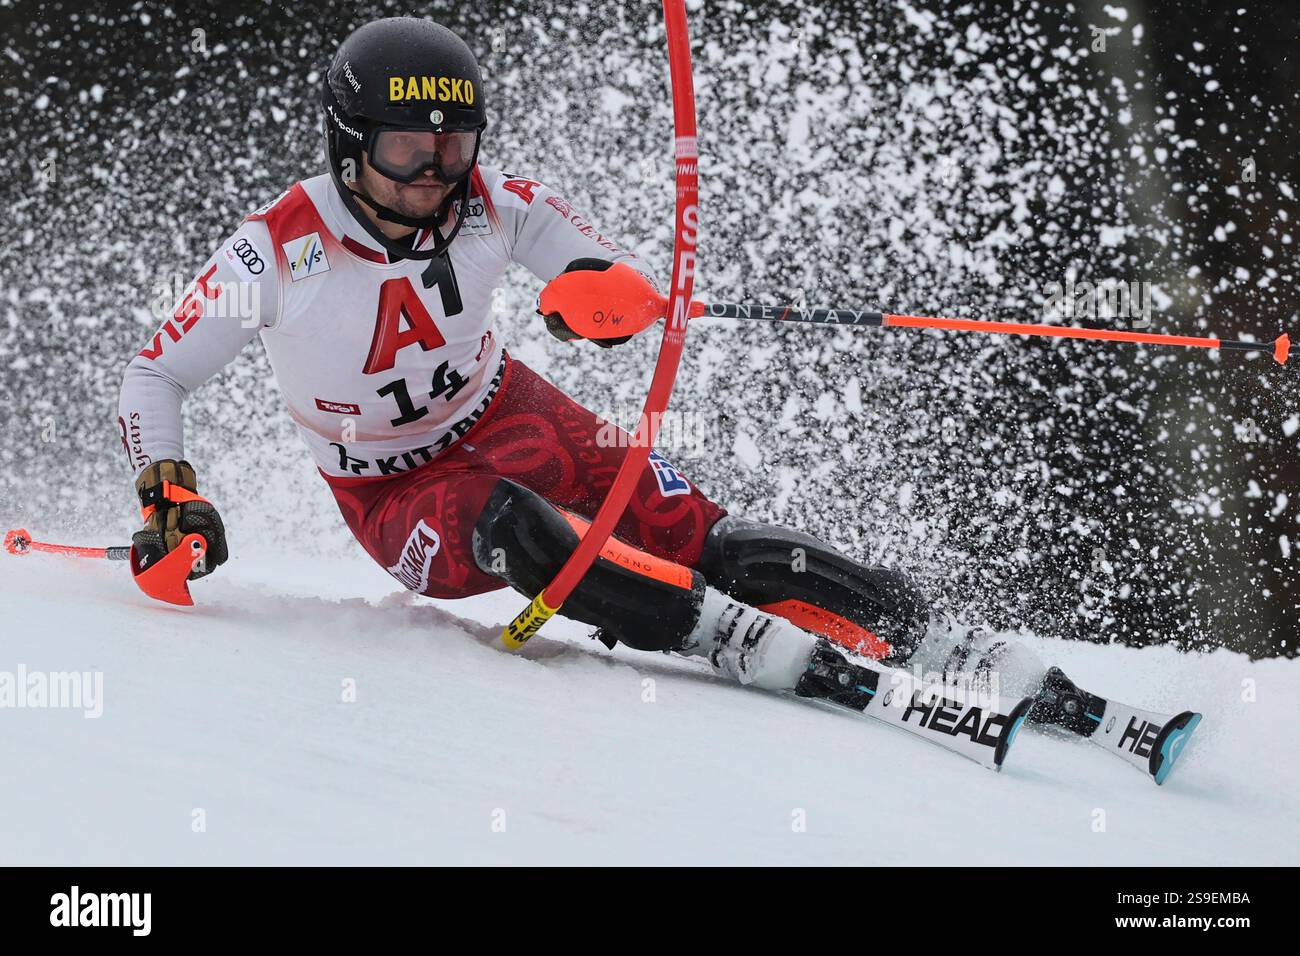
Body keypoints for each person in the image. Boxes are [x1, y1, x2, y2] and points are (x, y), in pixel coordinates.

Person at [118, 17, 1088, 726]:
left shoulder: (494, 202)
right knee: (523, 529)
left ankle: (928, 633)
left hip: (514, 410)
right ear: (348, 140)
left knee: (707, 534)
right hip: (394, 486)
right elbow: (154, 377)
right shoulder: (274, 253)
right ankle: (723, 637)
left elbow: (598, 272)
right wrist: (170, 494)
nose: (433, 175)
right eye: (407, 149)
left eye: (454, 148)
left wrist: (597, 299)